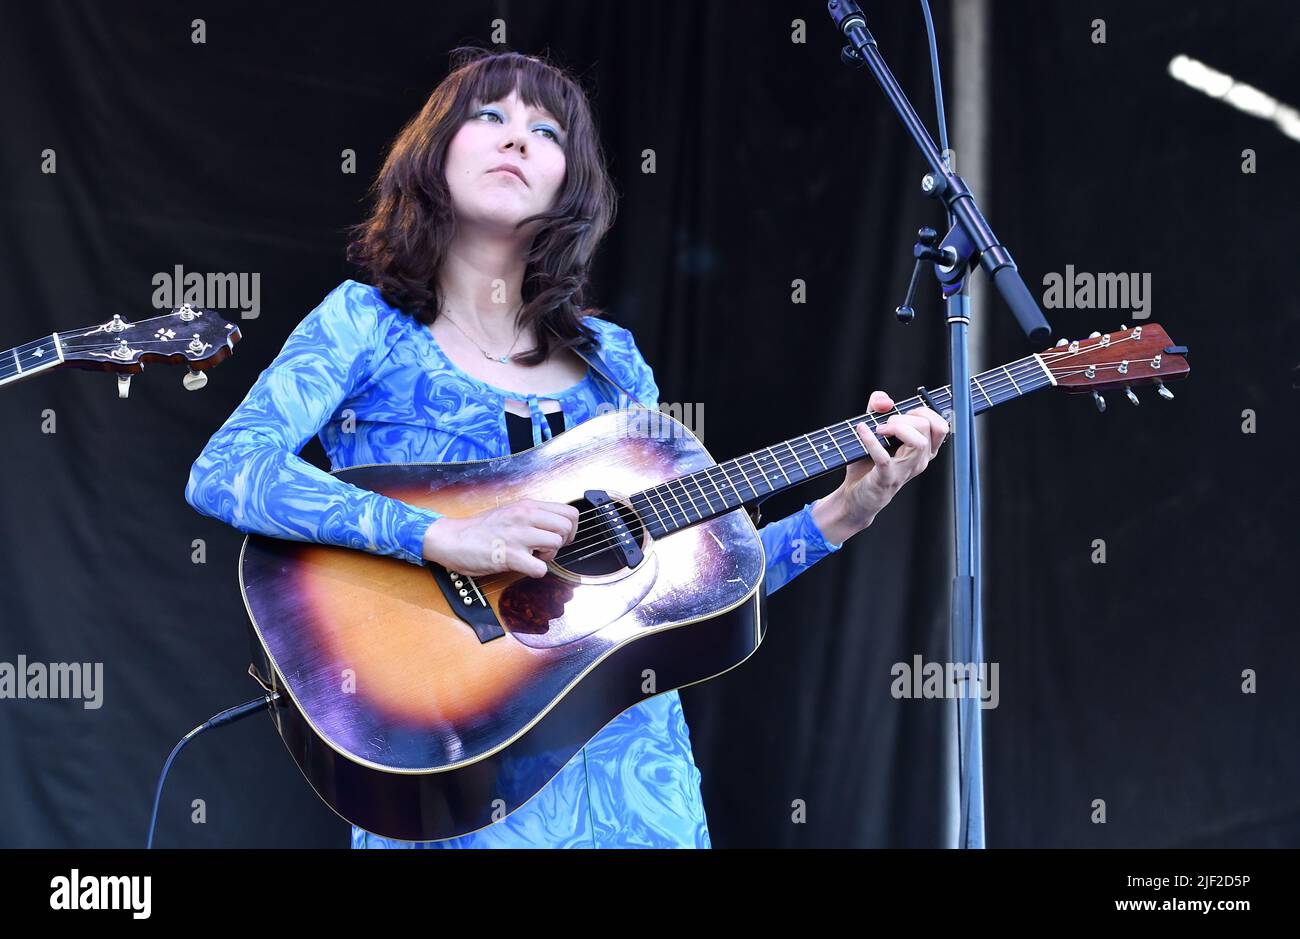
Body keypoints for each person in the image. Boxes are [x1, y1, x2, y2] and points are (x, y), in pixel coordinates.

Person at [184, 48, 949, 849]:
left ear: (569, 185)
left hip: (637, 788)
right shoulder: (362, 324)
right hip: (456, 776)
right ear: (434, 149)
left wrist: (843, 510)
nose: (516, 138)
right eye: (489, 117)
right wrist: (441, 534)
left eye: (545, 130)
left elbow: (698, 585)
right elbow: (230, 470)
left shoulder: (613, 360)